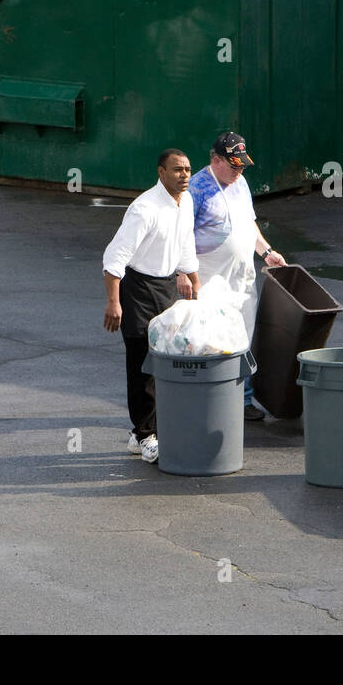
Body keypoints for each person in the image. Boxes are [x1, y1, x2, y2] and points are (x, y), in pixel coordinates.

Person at [102, 149, 200, 464]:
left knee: (164, 362)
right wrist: (114, 302)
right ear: (161, 172)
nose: (184, 175)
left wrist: (195, 283)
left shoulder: (186, 202)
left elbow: (186, 246)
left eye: (187, 169)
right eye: (176, 170)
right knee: (143, 366)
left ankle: (140, 432)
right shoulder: (144, 209)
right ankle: (146, 436)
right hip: (137, 290)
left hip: (166, 288)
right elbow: (114, 258)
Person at [188, 132, 286, 421]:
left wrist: (265, 250)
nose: (239, 171)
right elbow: (181, 234)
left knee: (242, 337)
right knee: (212, 339)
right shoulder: (197, 188)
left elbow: (248, 222)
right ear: (215, 160)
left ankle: (241, 400)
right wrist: (185, 273)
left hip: (241, 279)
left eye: (242, 166)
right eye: (233, 166)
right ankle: (209, 398)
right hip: (209, 280)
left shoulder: (240, 183)